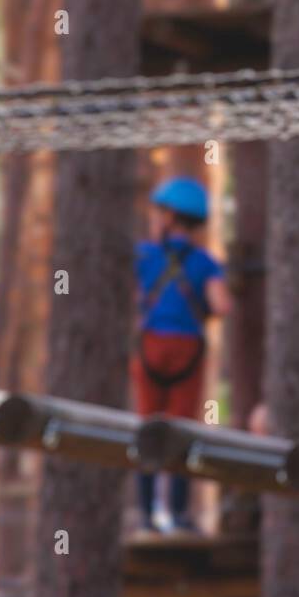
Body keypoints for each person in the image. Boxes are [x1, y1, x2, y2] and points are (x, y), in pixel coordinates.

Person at [133, 177, 232, 531]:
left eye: (160, 211)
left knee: (146, 425)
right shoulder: (206, 262)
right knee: (180, 429)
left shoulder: (145, 255)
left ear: (172, 217)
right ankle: (178, 513)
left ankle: (146, 514)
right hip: (188, 351)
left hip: (149, 348)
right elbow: (221, 306)